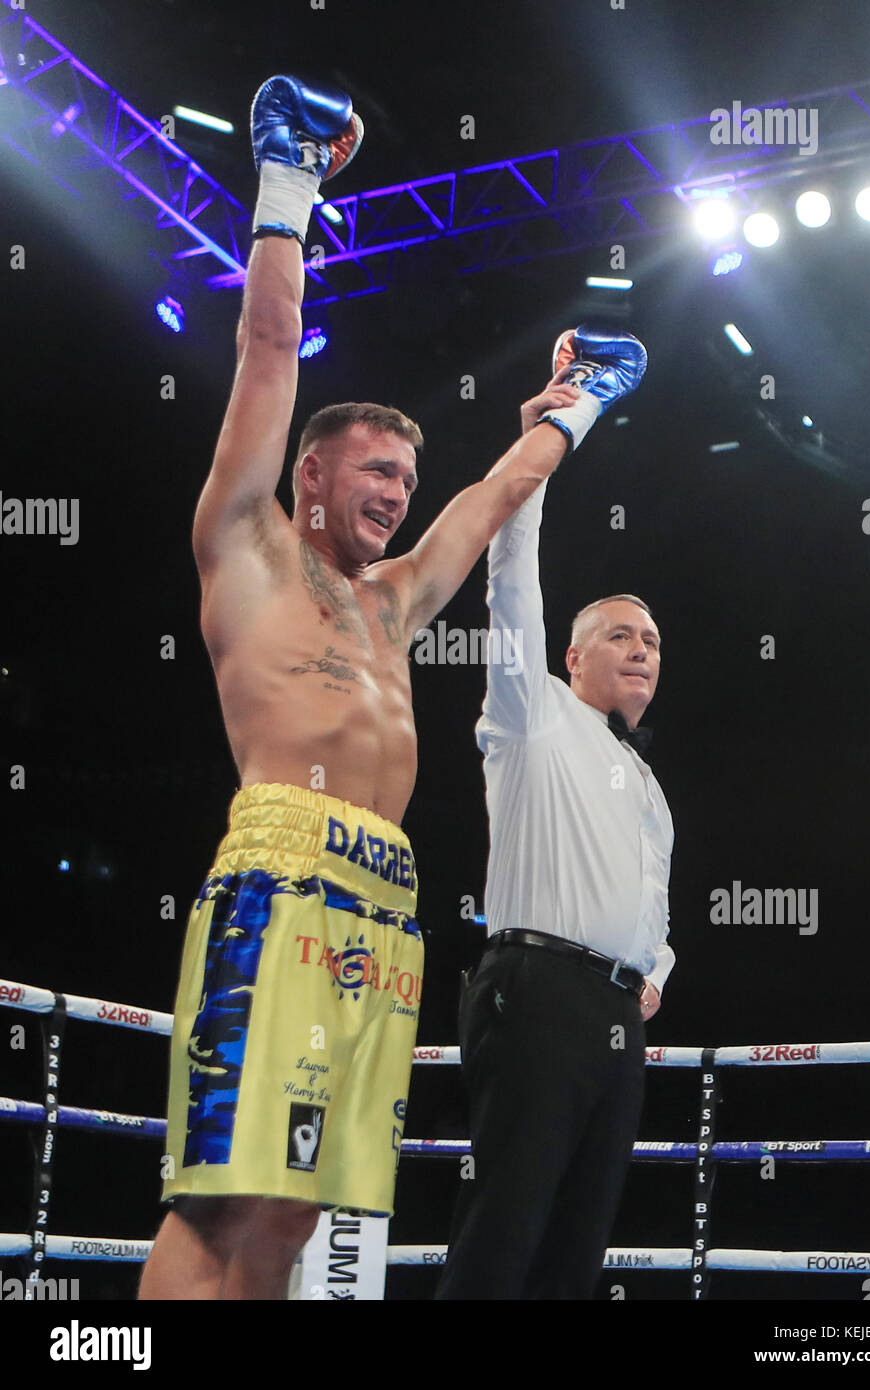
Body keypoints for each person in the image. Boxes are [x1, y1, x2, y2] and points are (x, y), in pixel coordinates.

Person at [138, 76, 640, 1300]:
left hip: (384, 903)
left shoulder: (395, 599)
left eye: (405, 474)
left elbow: (489, 501)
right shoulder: (247, 546)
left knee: (297, 1216)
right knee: (225, 1199)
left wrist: (573, 411)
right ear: (309, 471)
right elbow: (265, 347)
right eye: (373, 466)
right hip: (283, 866)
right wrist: (289, 181)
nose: (398, 490)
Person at [436, 329, 675, 1301]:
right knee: (505, 1237)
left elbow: (655, 904)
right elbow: (511, 581)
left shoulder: (650, 789)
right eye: (621, 633)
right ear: (574, 656)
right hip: (533, 988)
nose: (643, 650)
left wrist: (655, 969)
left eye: (654, 640)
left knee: (576, 1261)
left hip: (617, 1015)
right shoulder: (531, 710)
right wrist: (543, 440)